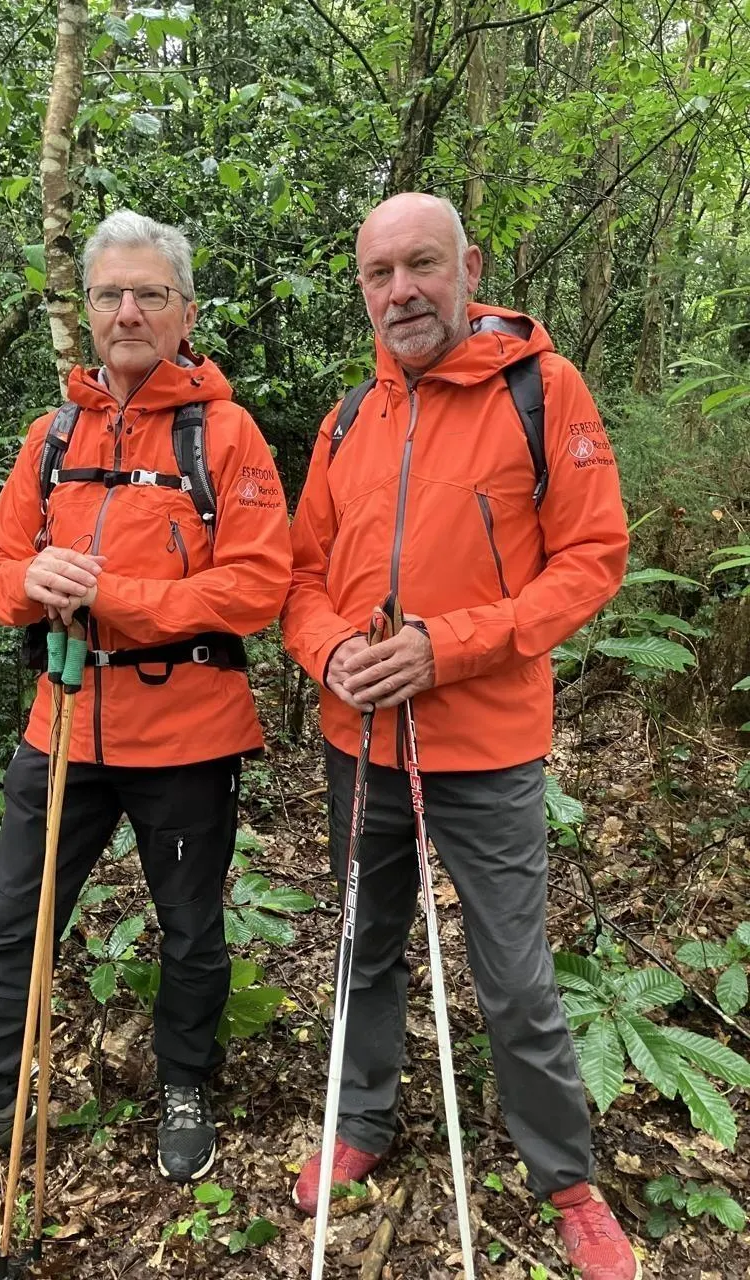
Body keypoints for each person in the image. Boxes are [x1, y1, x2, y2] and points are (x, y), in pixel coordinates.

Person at [0, 210, 292, 1192]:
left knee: (190, 927)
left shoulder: (226, 435)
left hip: (187, 734)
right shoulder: (51, 432)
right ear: (90, 309)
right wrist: (37, 582)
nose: (129, 310)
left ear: (186, 312)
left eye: (150, 293)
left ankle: (186, 1085)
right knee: (13, 922)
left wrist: (120, 596)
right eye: (111, 294)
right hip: (60, 722)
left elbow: (258, 585)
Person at [281, 193, 637, 1280]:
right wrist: (332, 650)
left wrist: (451, 645)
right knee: (362, 943)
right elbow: (300, 579)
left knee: (516, 971)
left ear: (468, 265)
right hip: (363, 743)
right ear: (363, 290)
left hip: (487, 744)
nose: (402, 291)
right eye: (380, 274)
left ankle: (565, 1176)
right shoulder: (348, 420)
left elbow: (591, 556)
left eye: (422, 265)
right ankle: (362, 1118)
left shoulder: (543, 389)